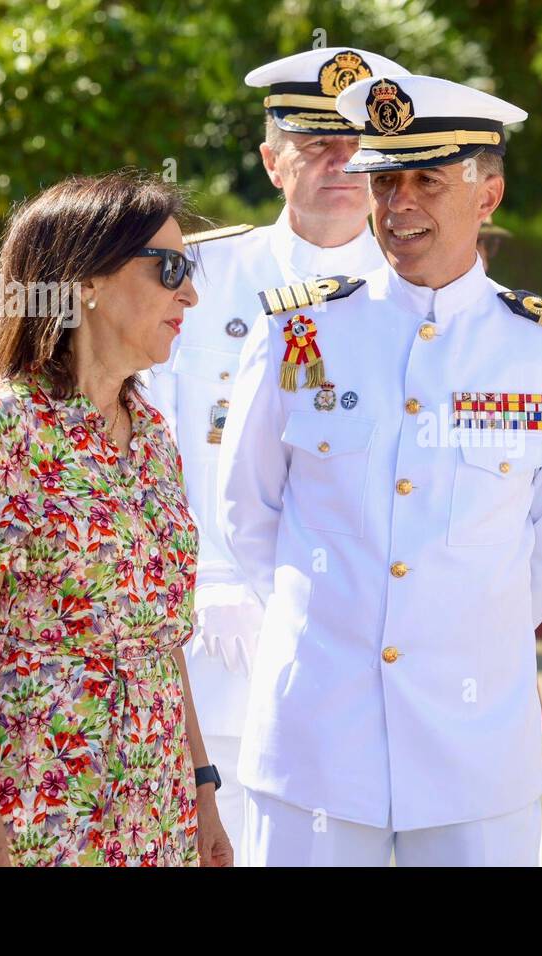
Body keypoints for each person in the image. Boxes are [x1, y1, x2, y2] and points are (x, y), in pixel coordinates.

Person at [217, 74, 542, 866]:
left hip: (471, 754)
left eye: (428, 179)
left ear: (488, 194)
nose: (398, 204)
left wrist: (460, 629)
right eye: (385, 179)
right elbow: (247, 513)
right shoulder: (302, 331)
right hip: (315, 742)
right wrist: (326, 624)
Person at [139, 46, 406, 854]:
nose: (341, 160)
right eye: (315, 141)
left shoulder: (418, 295)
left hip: (346, 660)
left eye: (357, 141)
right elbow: (141, 444)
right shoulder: (198, 277)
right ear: (271, 159)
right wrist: (205, 577)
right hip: (201, 649)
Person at [0, 170, 232, 866]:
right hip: (37, 802)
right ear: (85, 281)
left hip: (155, 808)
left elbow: (160, 638)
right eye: (171, 269)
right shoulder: (4, 431)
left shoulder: (154, 435)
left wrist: (203, 786)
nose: (189, 293)